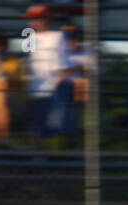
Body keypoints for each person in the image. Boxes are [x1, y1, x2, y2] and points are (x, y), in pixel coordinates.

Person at [23, 4, 76, 140]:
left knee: (54, 127)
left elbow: (62, 64)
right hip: (36, 89)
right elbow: (28, 62)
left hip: (53, 89)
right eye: (31, 19)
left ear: (47, 19)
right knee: (39, 128)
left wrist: (59, 84)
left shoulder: (58, 36)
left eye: (37, 19)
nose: (33, 22)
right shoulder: (29, 36)